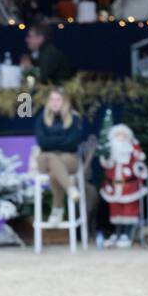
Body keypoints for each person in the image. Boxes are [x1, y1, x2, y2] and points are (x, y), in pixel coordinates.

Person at [33, 87, 84, 224]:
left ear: (65, 101)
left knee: (54, 169)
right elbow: (42, 142)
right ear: (48, 102)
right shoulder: (41, 119)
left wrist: (52, 143)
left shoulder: (74, 118)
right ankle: (70, 188)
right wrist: (60, 141)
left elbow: (72, 143)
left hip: (69, 158)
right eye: (52, 99)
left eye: (58, 99)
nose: (55, 103)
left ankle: (57, 208)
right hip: (46, 159)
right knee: (48, 157)